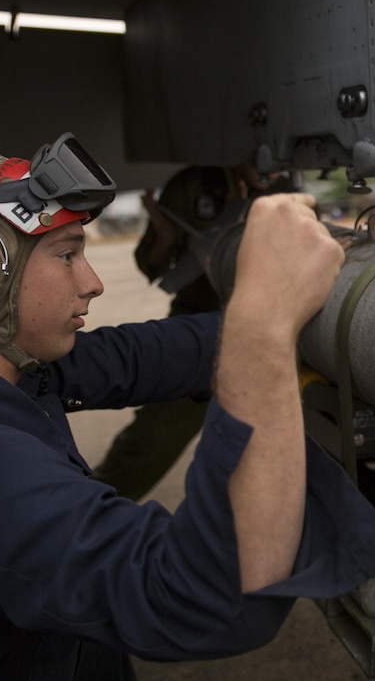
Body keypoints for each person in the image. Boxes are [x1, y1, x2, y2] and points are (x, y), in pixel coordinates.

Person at [0, 133, 375, 678]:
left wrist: (301, 301)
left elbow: (145, 356)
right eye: (67, 256)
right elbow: (207, 599)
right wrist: (264, 324)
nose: (93, 284)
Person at [92, 164, 289, 500]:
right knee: (154, 439)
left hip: (267, 332)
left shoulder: (281, 186)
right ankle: (87, 518)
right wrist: (166, 235)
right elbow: (151, 265)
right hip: (199, 330)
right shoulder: (192, 186)